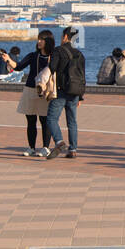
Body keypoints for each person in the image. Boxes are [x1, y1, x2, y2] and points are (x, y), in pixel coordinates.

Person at [2, 31, 54, 156]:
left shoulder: (53, 56)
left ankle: (45, 147)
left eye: (42, 39)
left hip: (45, 91)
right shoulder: (33, 55)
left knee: (44, 120)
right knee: (31, 120)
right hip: (30, 89)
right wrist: (8, 60)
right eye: (38, 39)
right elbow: (18, 66)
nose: (39, 42)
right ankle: (31, 147)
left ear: (48, 41)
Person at [44, 26, 86, 159]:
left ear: (66, 37)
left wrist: (50, 62)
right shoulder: (79, 54)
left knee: (51, 118)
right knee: (72, 121)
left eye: (62, 36)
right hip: (75, 91)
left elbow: (52, 68)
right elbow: (82, 75)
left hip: (61, 91)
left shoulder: (58, 51)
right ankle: (73, 150)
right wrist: (80, 96)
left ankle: (59, 141)